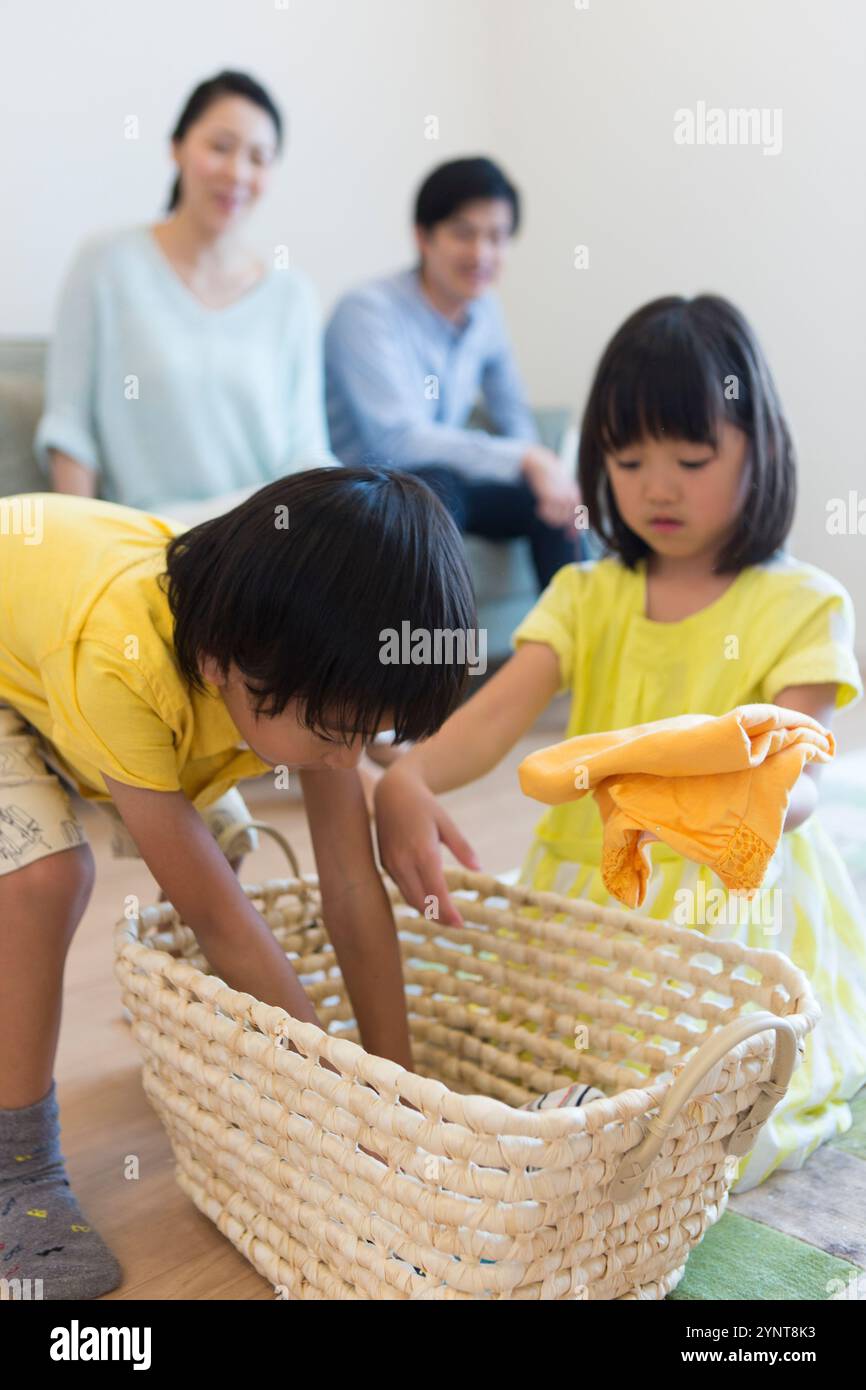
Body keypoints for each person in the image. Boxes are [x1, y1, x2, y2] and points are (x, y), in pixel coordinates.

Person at [373, 294, 866, 1196]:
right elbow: (489, 723)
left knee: (697, 1111)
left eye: (691, 457)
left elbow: (801, 775)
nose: (657, 488)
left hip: (730, 906)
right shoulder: (589, 594)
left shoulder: (802, 602)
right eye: (628, 459)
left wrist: (744, 799)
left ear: (760, 446)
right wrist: (406, 776)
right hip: (594, 893)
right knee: (526, 1071)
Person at [0, 466, 477, 1299]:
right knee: (45, 876)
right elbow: (222, 923)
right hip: (34, 668)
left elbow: (352, 893)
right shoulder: (124, 663)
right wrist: (341, 1106)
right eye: (335, 735)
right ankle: (19, 1173)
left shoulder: (301, 673)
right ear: (223, 664)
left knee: (225, 838)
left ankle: (191, 1043)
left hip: (61, 668)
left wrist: (403, 1097)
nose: (347, 759)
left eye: (369, 735)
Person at [35, 70, 333, 513]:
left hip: (262, 542)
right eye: (220, 147)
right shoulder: (105, 264)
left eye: (259, 157)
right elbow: (70, 428)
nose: (237, 172)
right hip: (148, 537)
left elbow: (307, 450)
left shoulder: (293, 297)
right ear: (177, 148)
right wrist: (78, 543)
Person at [325, 156, 581, 591]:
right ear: (423, 237)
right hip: (369, 491)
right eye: (464, 233)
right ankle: (438, 657)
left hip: (438, 485)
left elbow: (512, 412)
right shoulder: (367, 311)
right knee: (437, 489)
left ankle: (581, 648)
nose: (481, 253)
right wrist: (524, 458)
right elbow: (398, 441)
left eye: (497, 237)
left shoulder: (485, 313)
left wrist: (546, 473)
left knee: (549, 508)